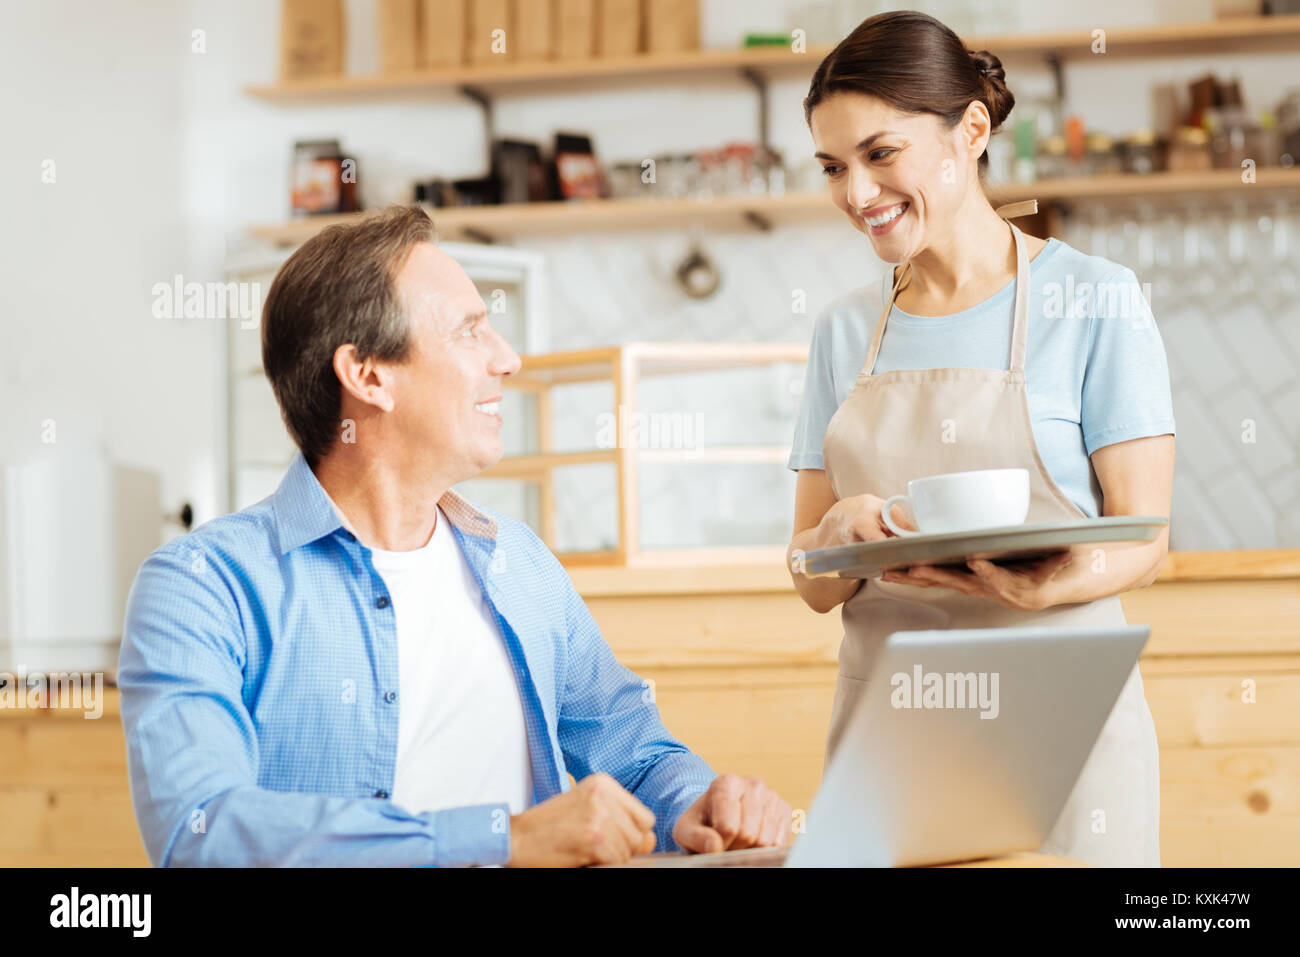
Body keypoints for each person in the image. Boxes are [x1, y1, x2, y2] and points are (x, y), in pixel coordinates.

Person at [120, 205, 791, 867]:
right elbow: (198, 829)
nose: (507, 357)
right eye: (470, 331)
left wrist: (698, 804)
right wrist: (504, 839)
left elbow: (635, 755)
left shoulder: (517, 558)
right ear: (368, 375)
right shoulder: (203, 584)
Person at [785, 11, 1174, 867]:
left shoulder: (1097, 300)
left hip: (1065, 731)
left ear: (971, 129)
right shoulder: (845, 332)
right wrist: (832, 541)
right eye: (832, 166)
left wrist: (1050, 585)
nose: (856, 193)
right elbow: (810, 577)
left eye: (881, 154)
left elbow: (1146, 531)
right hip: (894, 736)